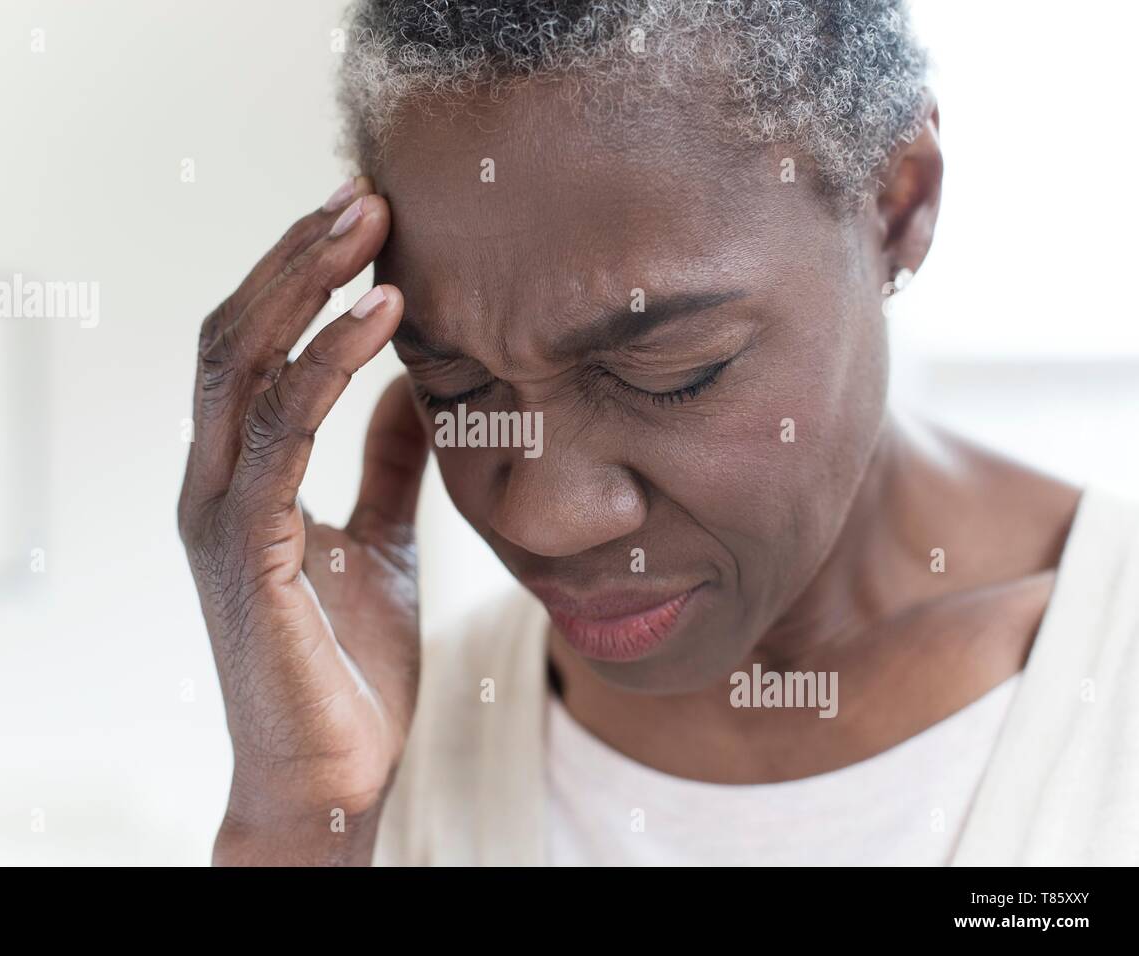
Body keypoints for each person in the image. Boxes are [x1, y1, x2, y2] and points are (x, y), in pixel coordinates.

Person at [176, 0, 1139, 865]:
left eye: (670, 374)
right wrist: (298, 826)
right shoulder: (395, 740)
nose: (549, 519)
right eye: (455, 383)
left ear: (899, 202)